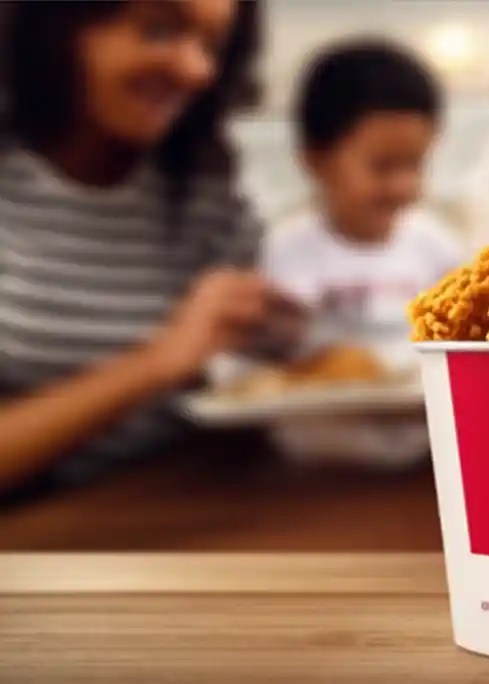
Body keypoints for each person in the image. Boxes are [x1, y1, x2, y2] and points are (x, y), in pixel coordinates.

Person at [0, 1, 289, 493]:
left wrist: (282, 334)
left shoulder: (203, 199)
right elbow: (180, 355)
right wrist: (161, 361)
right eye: (158, 30)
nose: (198, 70)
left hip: (165, 522)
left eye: (212, 46)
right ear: (56, 28)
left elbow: (246, 386)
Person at [262, 40, 463, 364]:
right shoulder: (285, 252)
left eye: (414, 164)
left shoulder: (437, 248)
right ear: (316, 160)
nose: (401, 186)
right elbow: (271, 358)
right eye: (382, 167)